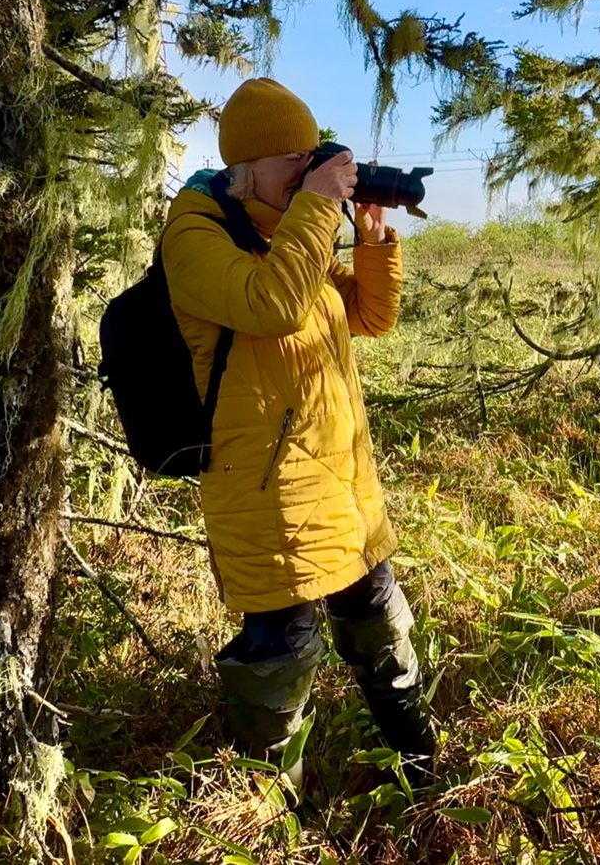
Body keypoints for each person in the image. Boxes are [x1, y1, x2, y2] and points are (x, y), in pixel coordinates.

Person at [160, 76, 434, 795]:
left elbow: (370, 316)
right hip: (267, 495)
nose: (314, 173)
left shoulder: (292, 235)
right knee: (280, 662)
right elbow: (272, 304)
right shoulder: (195, 232)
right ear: (247, 167)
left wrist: (372, 239)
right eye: (298, 162)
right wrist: (318, 204)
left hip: (344, 487)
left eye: (317, 159)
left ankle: (423, 773)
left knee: (381, 629)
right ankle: (266, 812)